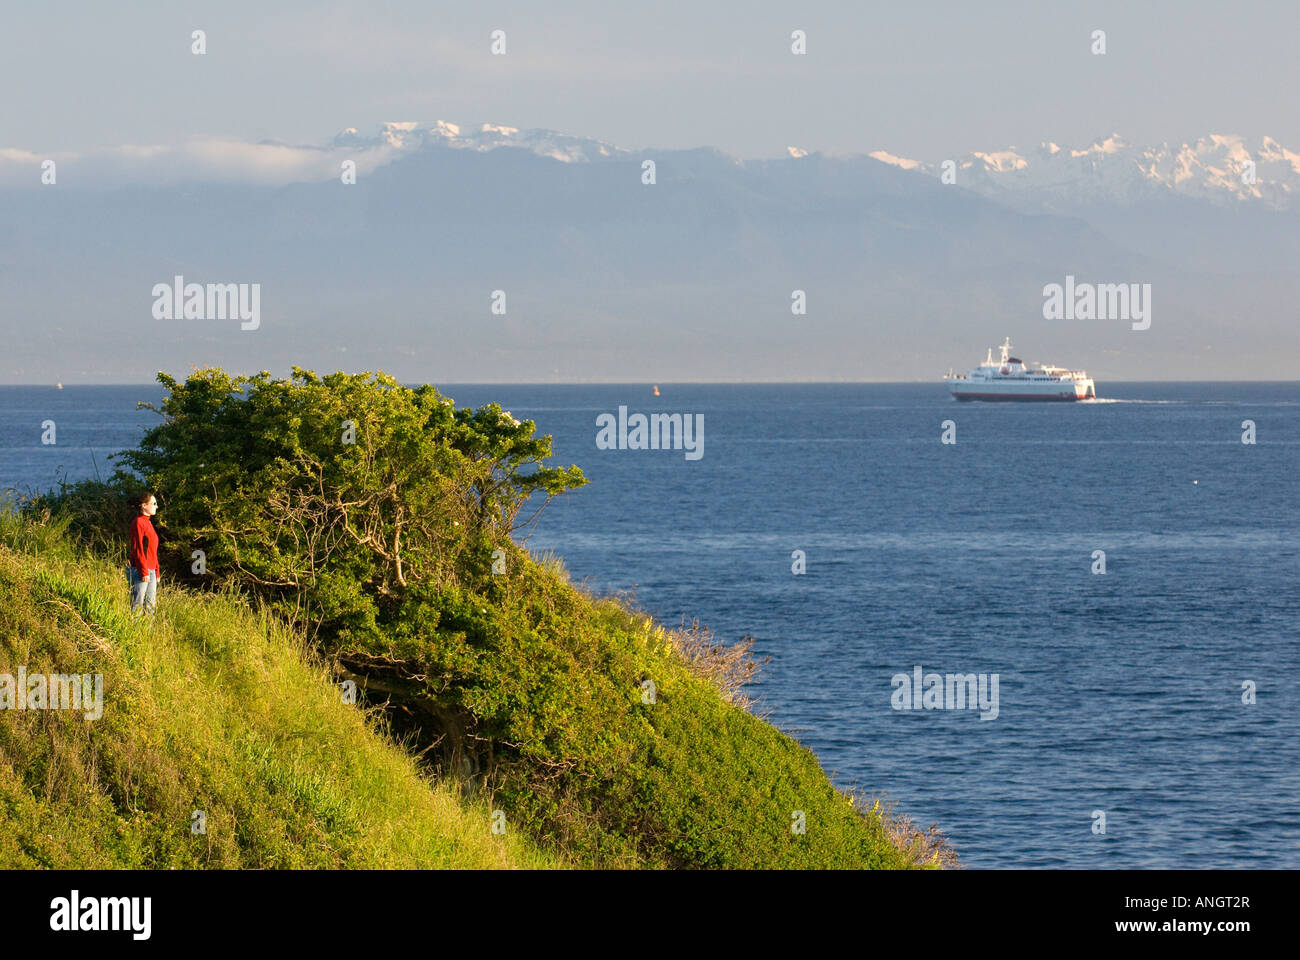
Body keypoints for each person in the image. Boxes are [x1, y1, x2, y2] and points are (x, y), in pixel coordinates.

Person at [128, 491, 160, 615]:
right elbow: (138, 548)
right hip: (140, 570)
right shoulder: (138, 522)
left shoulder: (148, 522)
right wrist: (143, 570)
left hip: (151, 569)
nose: (156, 506)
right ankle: (134, 632)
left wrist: (157, 570)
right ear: (144, 505)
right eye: (154, 503)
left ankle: (149, 633)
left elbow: (152, 550)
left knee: (150, 605)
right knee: (137, 605)